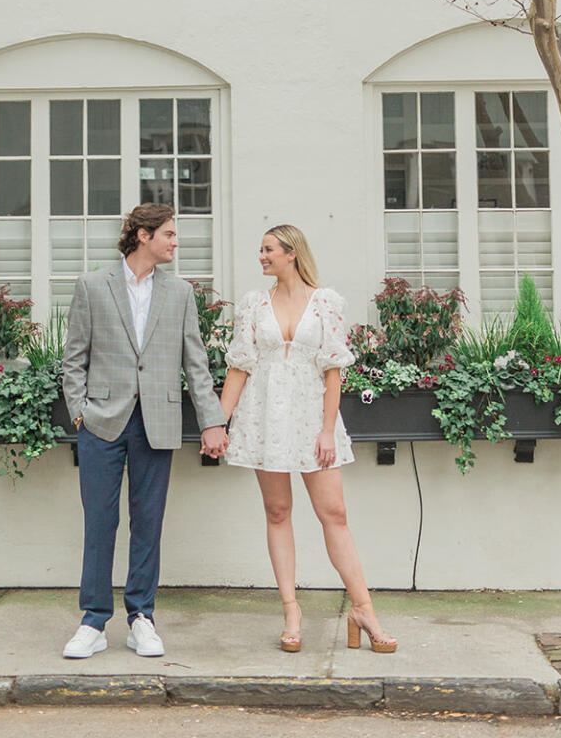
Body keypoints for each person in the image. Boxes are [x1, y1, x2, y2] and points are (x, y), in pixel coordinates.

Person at [61, 202, 228, 659]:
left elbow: (196, 363)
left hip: (158, 420)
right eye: (169, 234)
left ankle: (141, 619)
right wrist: (80, 413)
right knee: (100, 522)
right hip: (101, 422)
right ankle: (93, 621)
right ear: (143, 235)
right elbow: (74, 358)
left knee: (148, 523)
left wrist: (213, 420)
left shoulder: (181, 293)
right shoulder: (92, 285)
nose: (176, 242)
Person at [220, 224, 397, 655]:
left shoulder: (326, 302)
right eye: (260, 249)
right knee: (278, 511)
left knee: (334, 513)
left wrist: (327, 429)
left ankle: (363, 610)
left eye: (268, 249)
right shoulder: (252, 304)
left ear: (291, 253)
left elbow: (333, 371)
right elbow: (239, 366)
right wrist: (218, 424)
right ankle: (291, 612)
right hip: (264, 417)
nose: (262, 256)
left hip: (311, 418)